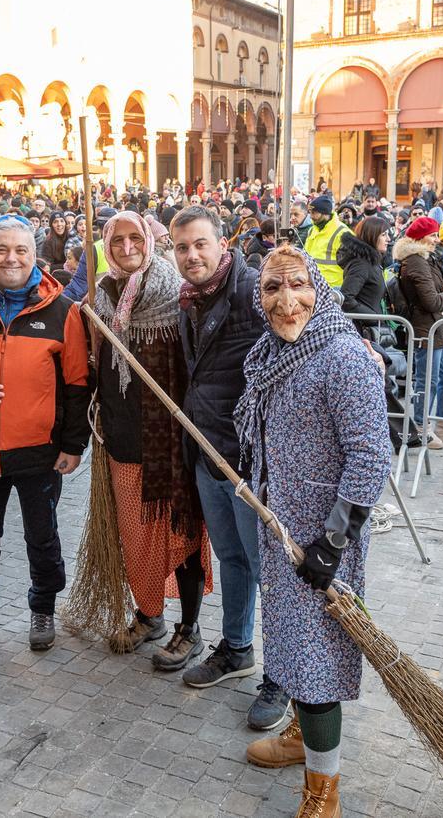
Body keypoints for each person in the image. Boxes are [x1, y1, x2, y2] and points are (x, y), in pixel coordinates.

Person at [236, 245, 391, 818]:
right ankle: (302, 735)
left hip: (324, 542)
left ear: (318, 289)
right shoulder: (268, 353)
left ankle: (323, 792)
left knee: (318, 659)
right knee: (294, 646)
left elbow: (372, 458)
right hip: (280, 531)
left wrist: (332, 542)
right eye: (273, 288)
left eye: (298, 285)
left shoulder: (345, 357)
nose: (286, 301)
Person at [0, 216, 87, 667]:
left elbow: (78, 383)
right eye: (1, 249)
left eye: (20, 250)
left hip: (39, 450)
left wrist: (72, 444)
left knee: (42, 537)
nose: (11, 258)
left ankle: (43, 610)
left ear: (35, 254)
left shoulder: (62, 310)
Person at [168, 206, 290, 729]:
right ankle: (238, 648)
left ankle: (286, 675)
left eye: (200, 244)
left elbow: (310, 320)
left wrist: (362, 352)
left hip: (251, 463)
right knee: (233, 560)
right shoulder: (187, 301)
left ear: (222, 243)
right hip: (208, 453)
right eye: (181, 247)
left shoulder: (251, 291)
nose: (192, 255)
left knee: (272, 573)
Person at [93, 211, 212, 667]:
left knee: (179, 532)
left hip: (171, 440)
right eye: (117, 240)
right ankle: (149, 614)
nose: (126, 248)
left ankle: (190, 628)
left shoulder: (176, 295)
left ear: (148, 240)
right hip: (122, 439)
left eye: (134, 238)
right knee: (135, 534)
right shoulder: (102, 294)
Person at [396, 216, 443, 448]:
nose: (437, 240)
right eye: (433, 235)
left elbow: (434, 294)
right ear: (421, 238)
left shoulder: (427, 258)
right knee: (429, 381)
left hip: (439, 326)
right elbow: (432, 302)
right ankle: (420, 426)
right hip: (426, 328)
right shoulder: (415, 261)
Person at [303, 196, 350, 288]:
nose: (311, 216)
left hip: (334, 287)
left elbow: (351, 266)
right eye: (310, 213)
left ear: (325, 213)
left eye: (314, 213)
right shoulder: (312, 230)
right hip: (312, 284)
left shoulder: (342, 232)